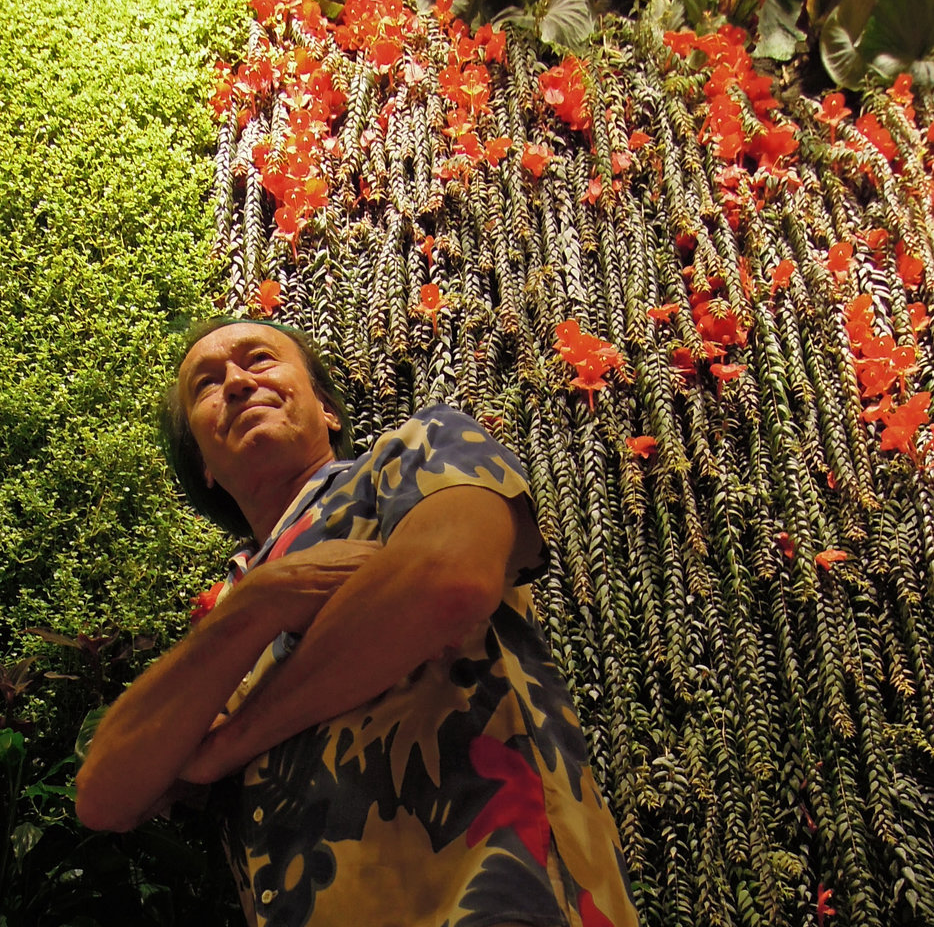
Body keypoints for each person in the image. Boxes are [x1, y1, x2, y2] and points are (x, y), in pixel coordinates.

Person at [76, 317, 639, 927]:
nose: (237, 382)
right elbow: (105, 796)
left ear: (327, 410)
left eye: (259, 360)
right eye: (207, 385)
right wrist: (262, 601)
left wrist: (225, 746)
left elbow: (448, 579)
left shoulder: (417, 449)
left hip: (499, 899)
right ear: (205, 465)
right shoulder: (229, 606)